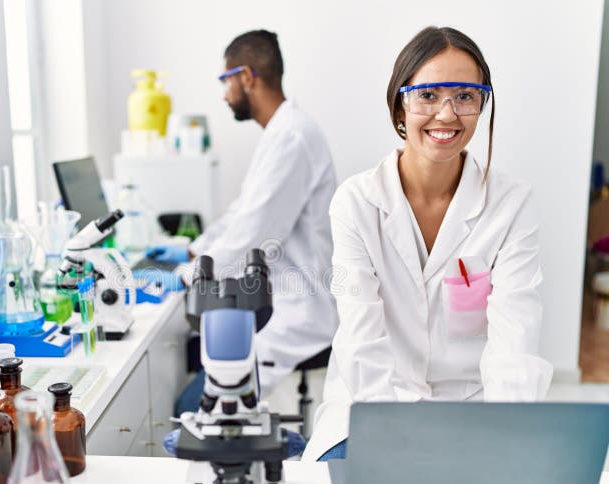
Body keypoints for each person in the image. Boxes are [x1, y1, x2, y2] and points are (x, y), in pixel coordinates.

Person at [304, 26, 553, 461]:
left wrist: (505, 439)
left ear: (482, 104)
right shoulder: (357, 202)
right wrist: (394, 441)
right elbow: (362, 338)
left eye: (465, 96)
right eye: (428, 95)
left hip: (472, 408)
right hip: (370, 406)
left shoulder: (512, 204)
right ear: (400, 103)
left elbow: (516, 340)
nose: (446, 114)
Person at [147, 29, 338, 408]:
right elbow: (242, 211)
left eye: (225, 80)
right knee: (197, 364)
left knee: (192, 408)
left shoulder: (292, 137)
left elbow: (254, 234)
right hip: (274, 299)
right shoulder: (280, 132)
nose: (223, 93)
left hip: (293, 312)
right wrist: (193, 251)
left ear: (247, 77)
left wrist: (188, 275)